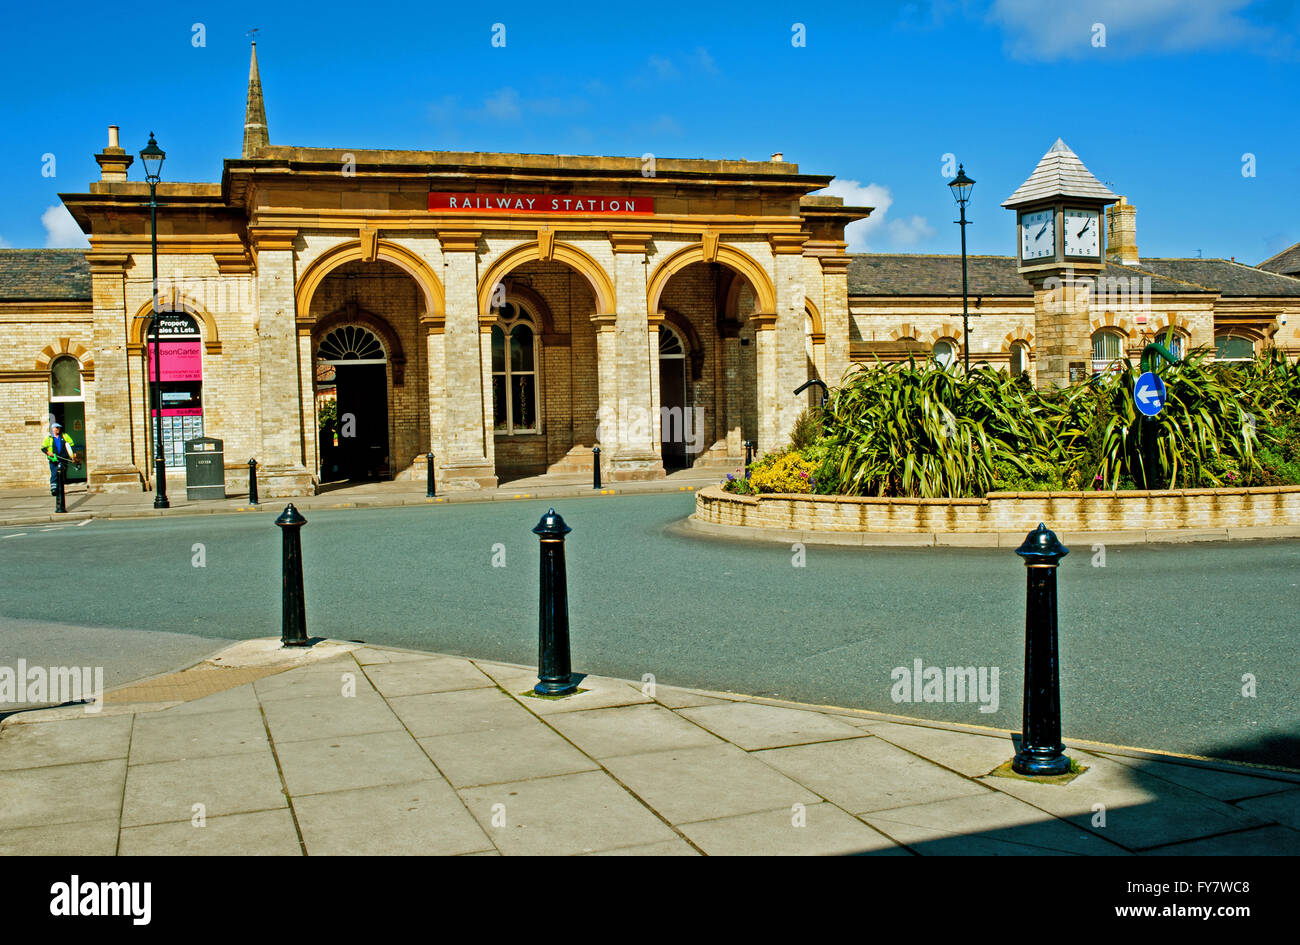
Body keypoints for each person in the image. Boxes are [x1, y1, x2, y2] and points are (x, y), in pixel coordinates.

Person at [41, 420, 77, 495]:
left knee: (62, 474)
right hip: (54, 459)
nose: (58, 429)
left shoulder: (65, 436)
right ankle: (54, 489)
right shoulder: (49, 438)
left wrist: (73, 455)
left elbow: (72, 445)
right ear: (52, 429)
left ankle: (60, 489)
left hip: (63, 459)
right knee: (54, 474)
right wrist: (48, 453)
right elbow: (43, 448)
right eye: (56, 428)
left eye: (59, 428)